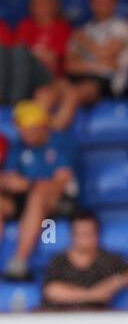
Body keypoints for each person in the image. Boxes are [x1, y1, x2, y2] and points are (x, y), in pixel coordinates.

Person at [1, 101, 75, 280]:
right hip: (24, 201)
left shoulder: (61, 143)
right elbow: (8, 178)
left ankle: (20, 260)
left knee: (39, 193)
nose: (28, 133)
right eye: (24, 129)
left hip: (60, 201)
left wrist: (28, 184)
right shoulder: (19, 147)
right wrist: (10, 182)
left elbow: (61, 183)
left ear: (44, 126)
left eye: (33, 129)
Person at [41, 209, 128, 311]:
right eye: (80, 234)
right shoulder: (60, 261)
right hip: (63, 320)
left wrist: (117, 281)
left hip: (100, 322)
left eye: (88, 234)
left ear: (97, 235)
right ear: (72, 236)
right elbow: (51, 290)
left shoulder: (109, 259)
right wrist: (93, 295)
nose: (84, 240)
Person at [65, 0, 128, 106]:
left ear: (115, 3)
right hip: (81, 77)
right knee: (48, 91)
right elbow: (70, 64)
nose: (101, 4)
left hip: (108, 83)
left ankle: (53, 125)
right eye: (97, 0)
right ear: (91, 3)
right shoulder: (85, 29)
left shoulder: (122, 27)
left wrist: (85, 42)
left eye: (105, 0)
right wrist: (100, 64)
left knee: (72, 94)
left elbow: (106, 53)